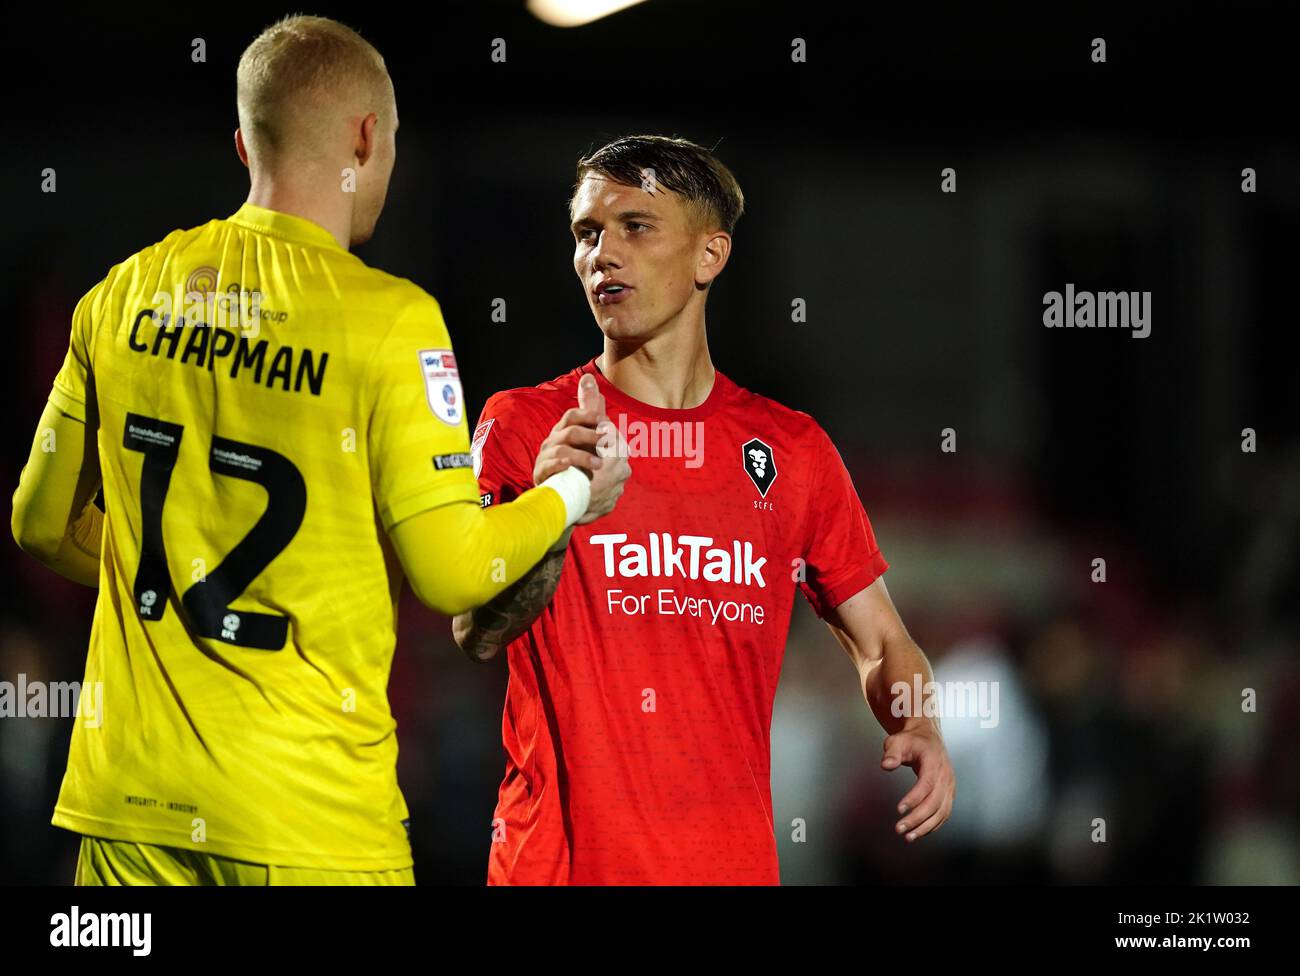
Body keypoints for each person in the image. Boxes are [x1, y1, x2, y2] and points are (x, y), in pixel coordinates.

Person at [8, 14, 628, 886]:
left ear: (244, 144)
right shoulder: (390, 322)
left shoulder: (119, 295)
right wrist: (569, 494)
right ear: (368, 137)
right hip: (308, 823)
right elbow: (452, 571)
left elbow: (38, 524)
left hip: (127, 814)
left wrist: (180, 573)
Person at [455, 135, 955, 885]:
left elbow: (881, 643)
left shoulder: (791, 449)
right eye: (587, 233)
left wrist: (917, 720)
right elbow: (476, 631)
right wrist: (551, 511)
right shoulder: (529, 426)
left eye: (636, 226)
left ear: (709, 256)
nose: (602, 254)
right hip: (556, 869)